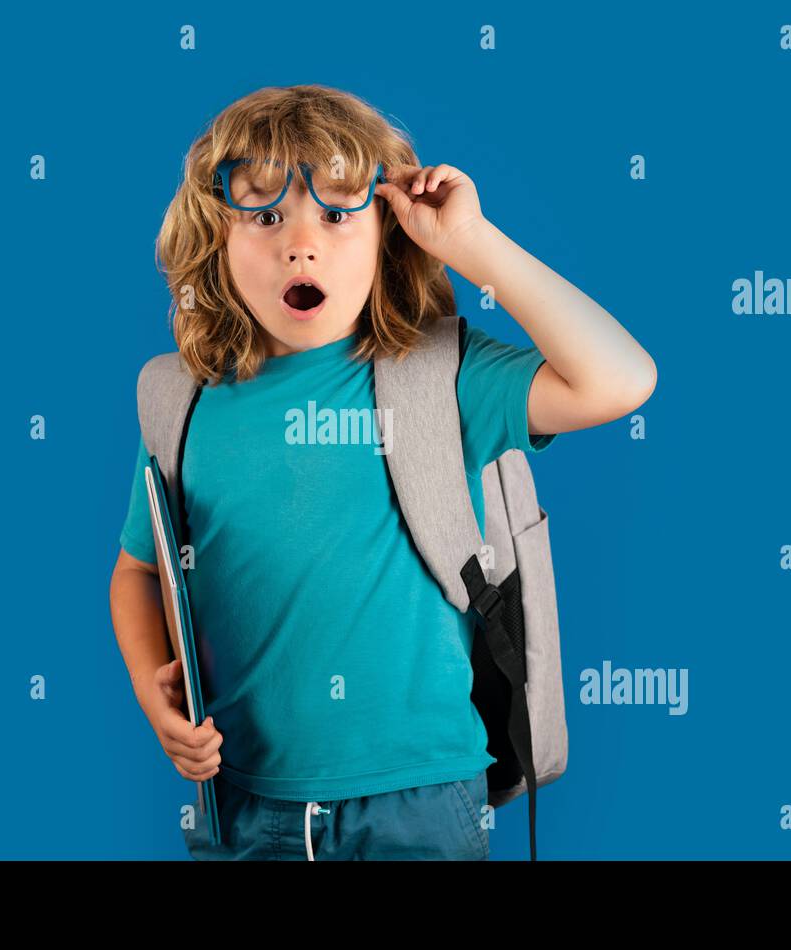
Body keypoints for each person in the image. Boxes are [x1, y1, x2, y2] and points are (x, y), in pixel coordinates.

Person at [108, 84, 656, 860]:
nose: (302, 244)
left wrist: (471, 242)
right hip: (242, 807)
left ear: (388, 236)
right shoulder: (181, 398)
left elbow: (620, 380)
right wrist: (148, 686)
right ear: (216, 240)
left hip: (420, 804)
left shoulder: (440, 375)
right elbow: (135, 571)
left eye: (336, 214)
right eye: (265, 216)